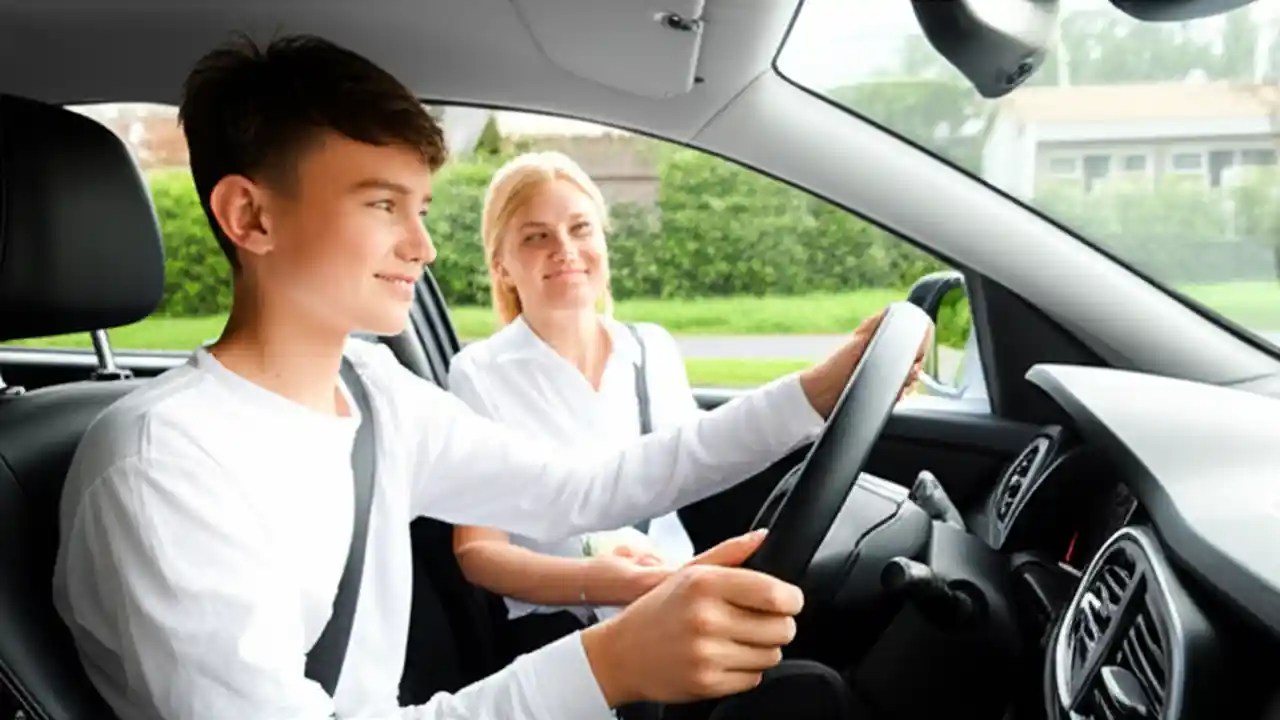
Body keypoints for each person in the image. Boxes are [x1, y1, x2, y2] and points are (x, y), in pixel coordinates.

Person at [50, 34, 927, 720]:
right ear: (251, 214)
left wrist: (813, 396)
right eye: (382, 204)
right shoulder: (164, 465)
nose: (423, 248)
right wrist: (610, 662)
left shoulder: (371, 390)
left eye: (420, 208)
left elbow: (590, 485)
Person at [448, 151, 711, 660]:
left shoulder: (652, 348)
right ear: (502, 265)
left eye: (580, 228)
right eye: (535, 236)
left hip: (677, 601)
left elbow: (706, 463)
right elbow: (478, 551)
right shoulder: (479, 374)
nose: (564, 248)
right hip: (566, 630)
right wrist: (597, 581)